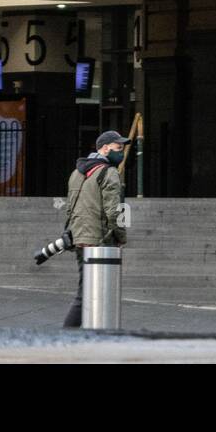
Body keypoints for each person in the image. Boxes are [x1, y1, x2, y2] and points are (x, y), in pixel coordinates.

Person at [63, 130, 129, 328]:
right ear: (105, 147)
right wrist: (121, 236)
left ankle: (87, 332)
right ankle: (68, 335)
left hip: (79, 237)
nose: (122, 152)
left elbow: (70, 207)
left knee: (89, 289)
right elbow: (113, 211)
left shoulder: (77, 172)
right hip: (99, 240)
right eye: (118, 148)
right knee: (91, 292)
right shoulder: (109, 172)